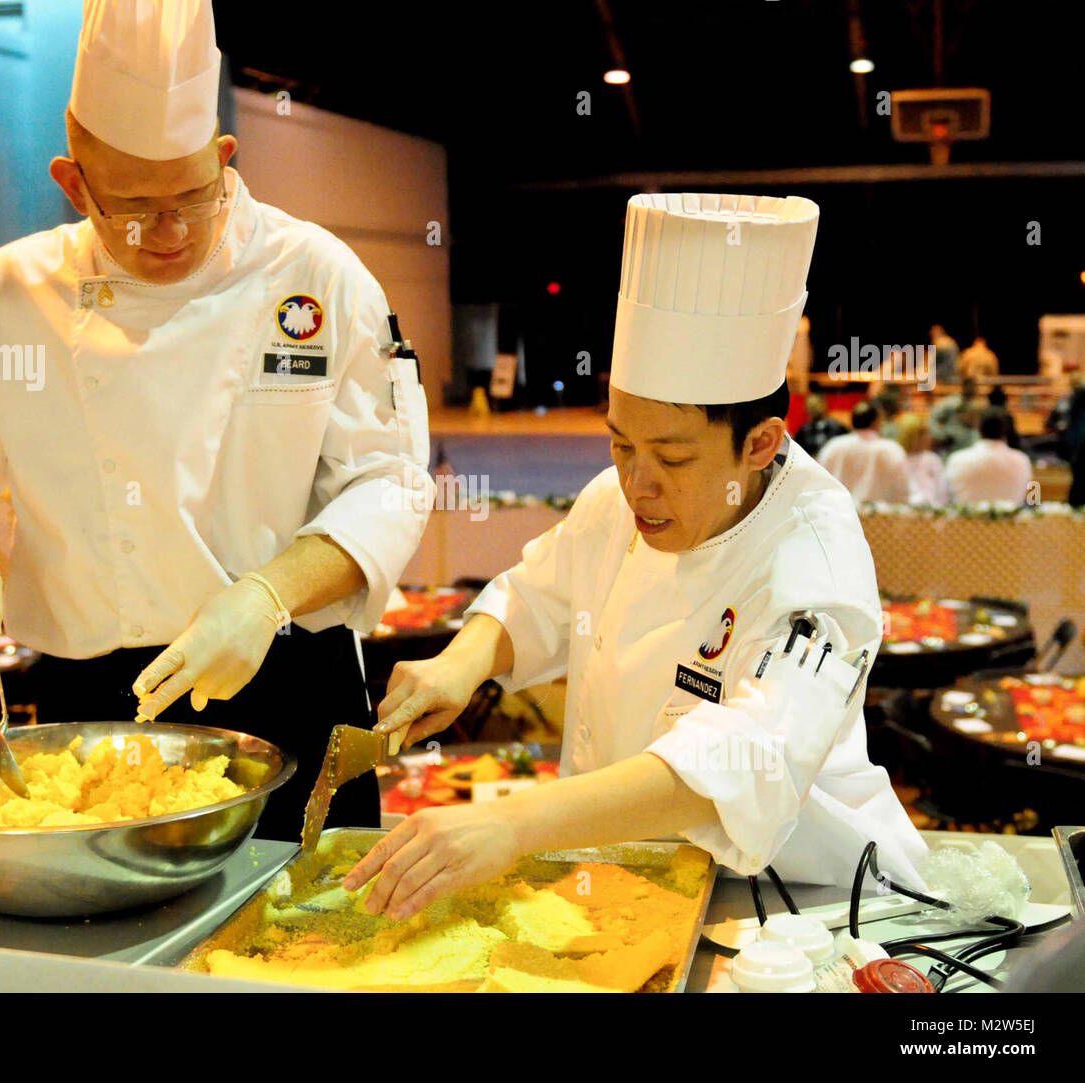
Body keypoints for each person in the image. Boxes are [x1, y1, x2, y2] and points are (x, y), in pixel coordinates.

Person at [0, 0, 433, 841]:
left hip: (286, 680)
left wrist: (266, 594)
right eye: (133, 206)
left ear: (225, 157)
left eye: (193, 198)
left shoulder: (314, 273)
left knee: (312, 944)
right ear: (73, 182)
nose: (168, 232)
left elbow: (388, 482)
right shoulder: (14, 291)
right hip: (91, 714)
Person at [342, 192, 927, 920]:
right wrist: (456, 666)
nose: (636, 484)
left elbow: (745, 760)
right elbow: (539, 593)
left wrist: (513, 822)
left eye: (672, 458)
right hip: (627, 880)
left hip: (797, 909)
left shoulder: (817, 569)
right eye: (621, 444)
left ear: (761, 443)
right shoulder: (616, 500)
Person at [816, 402, 911, 504]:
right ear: (876, 422)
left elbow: (820, 482)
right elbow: (902, 489)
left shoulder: (833, 446)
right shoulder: (891, 450)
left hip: (840, 512)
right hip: (879, 516)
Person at [945, 407, 1034, 505]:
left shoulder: (957, 459)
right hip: (1007, 518)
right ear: (1005, 430)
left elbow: (948, 494)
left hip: (968, 518)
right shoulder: (1021, 460)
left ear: (978, 428)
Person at [894, 413, 948, 506]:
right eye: (922, 434)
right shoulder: (897, 458)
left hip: (931, 510)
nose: (928, 438)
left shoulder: (932, 459)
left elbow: (942, 491)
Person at [929, 376, 981, 455]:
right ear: (964, 387)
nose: (972, 389)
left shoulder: (976, 406)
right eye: (970, 386)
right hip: (951, 446)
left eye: (974, 387)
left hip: (969, 447)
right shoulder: (950, 403)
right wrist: (940, 435)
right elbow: (933, 417)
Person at [792, 392, 847, 459]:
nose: (813, 409)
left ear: (824, 405)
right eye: (810, 406)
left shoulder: (837, 427)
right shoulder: (803, 431)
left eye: (815, 405)